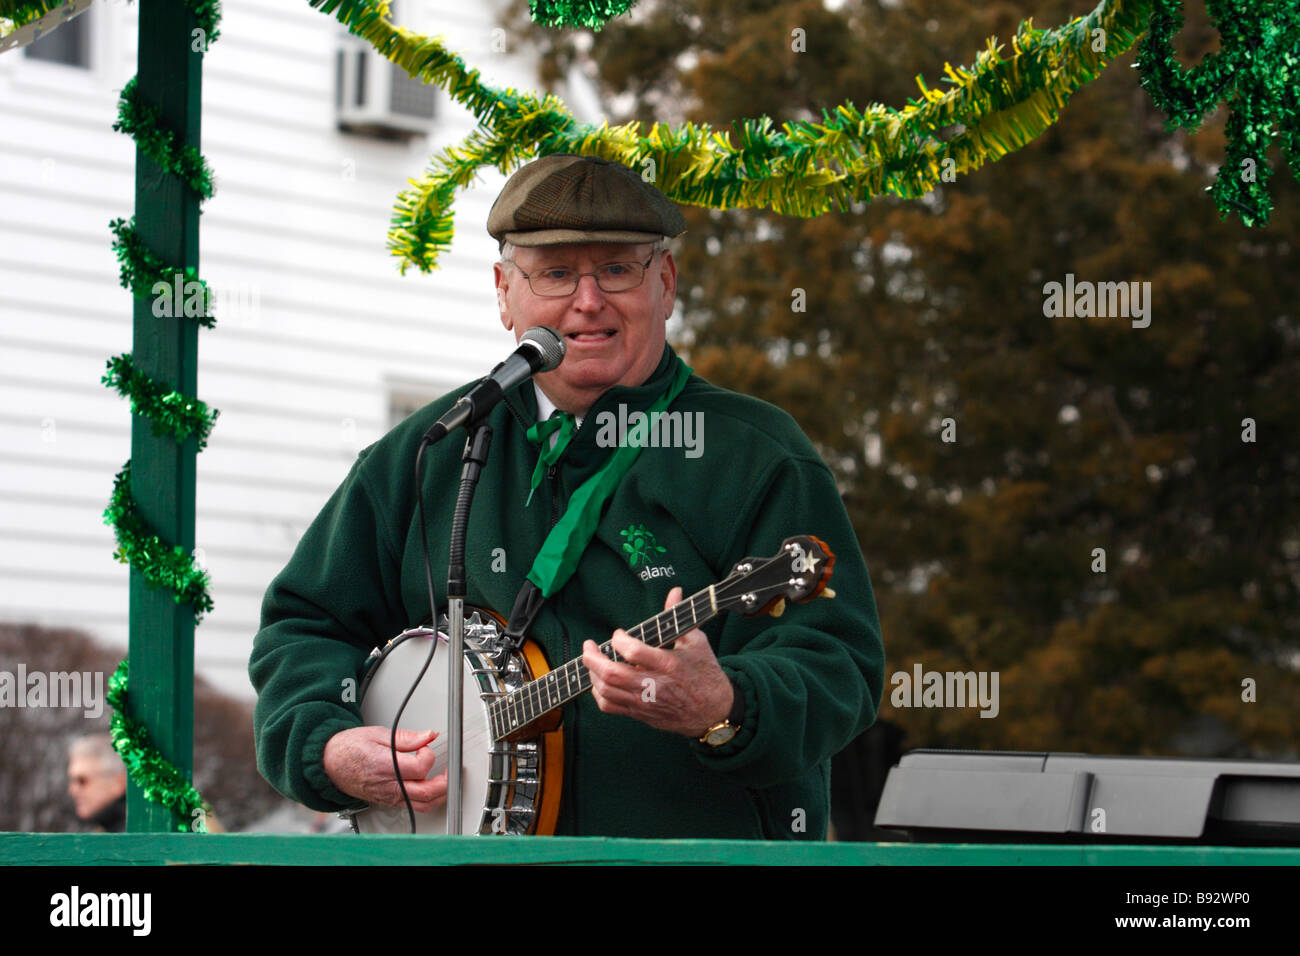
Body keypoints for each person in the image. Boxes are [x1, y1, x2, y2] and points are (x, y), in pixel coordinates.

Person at [250, 154, 885, 839]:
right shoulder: (429, 452)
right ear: (504, 292)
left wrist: (726, 705)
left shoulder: (756, 455)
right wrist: (327, 747)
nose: (587, 301)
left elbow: (839, 669)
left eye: (616, 269)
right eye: (554, 273)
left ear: (665, 285)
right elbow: (305, 626)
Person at [67, 734, 127, 832]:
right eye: (72, 781)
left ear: (119, 783)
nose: (73, 791)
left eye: (82, 781)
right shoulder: (104, 831)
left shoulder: (131, 835)